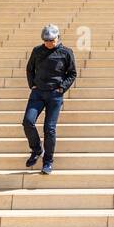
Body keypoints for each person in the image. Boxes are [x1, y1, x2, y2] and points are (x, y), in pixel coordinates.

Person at [22, 23, 77, 175]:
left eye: (51, 40)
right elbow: (29, 68)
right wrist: (32, 84)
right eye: (46, 40)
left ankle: (48, 162)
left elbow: (72, 73)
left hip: (55, 95)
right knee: (27, 121)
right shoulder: (37, 51)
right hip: (38, 93)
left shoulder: (66, 53)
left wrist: (61, 89)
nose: (48, 43)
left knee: (49, 129)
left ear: (58, 37)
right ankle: (36, 149)